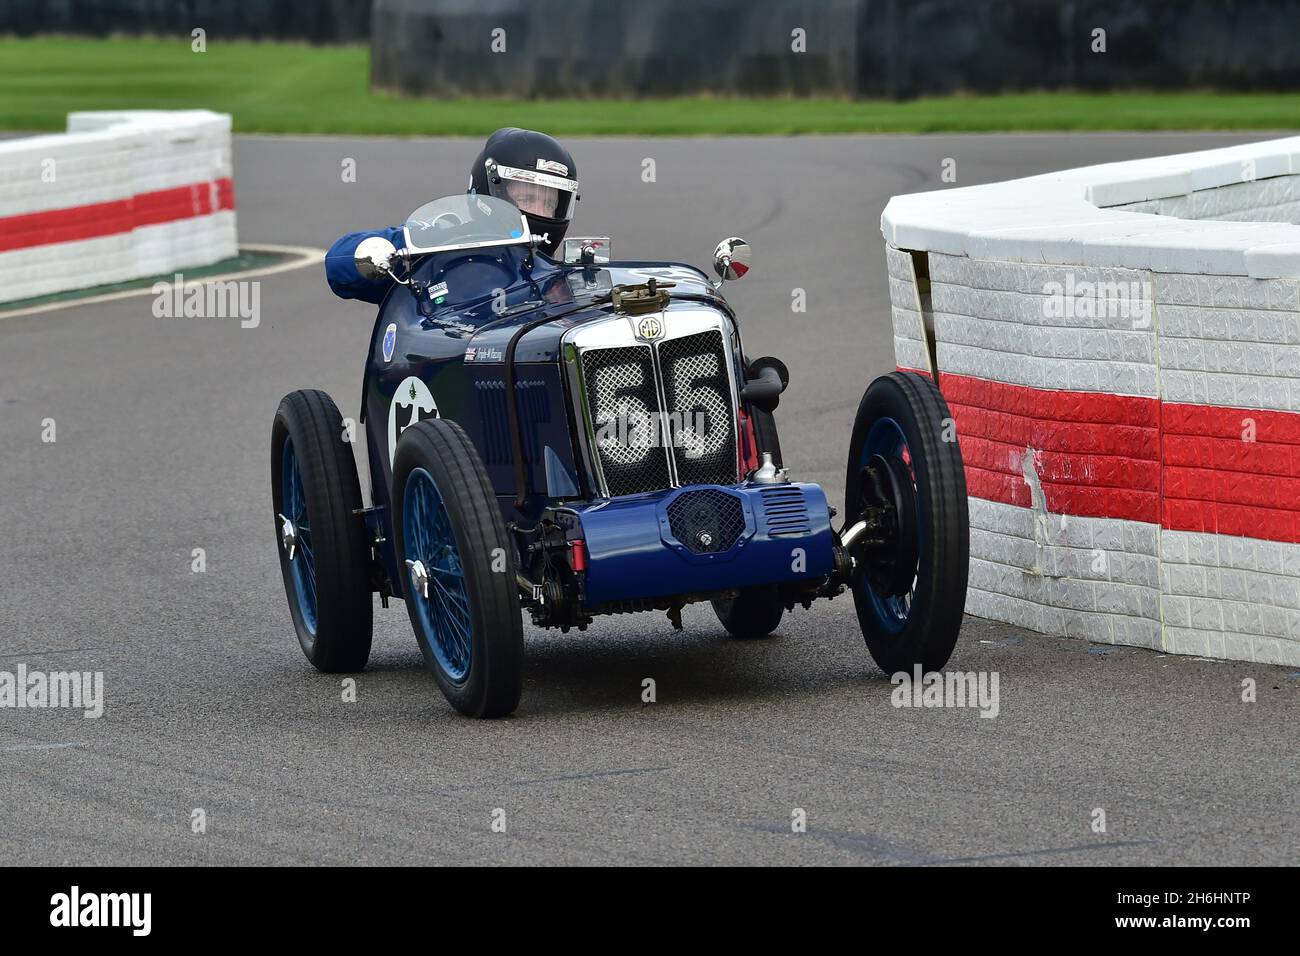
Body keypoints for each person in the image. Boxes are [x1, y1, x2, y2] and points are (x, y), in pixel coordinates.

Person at [324, 128, 579, 304]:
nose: (539, 212)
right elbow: (338, 264)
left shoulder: (559, 280)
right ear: (487, 190)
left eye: (549, 203)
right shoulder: (433, 247)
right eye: (526, 198)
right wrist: (417, 247)